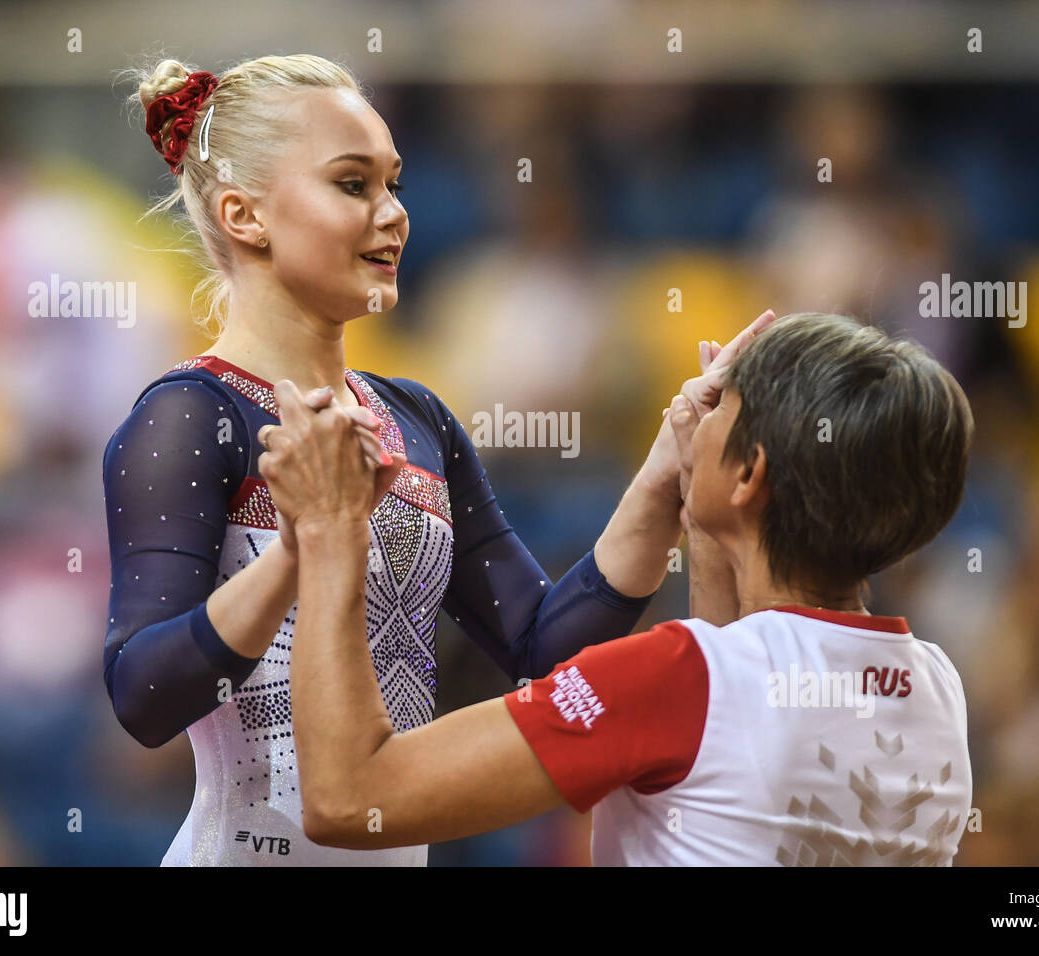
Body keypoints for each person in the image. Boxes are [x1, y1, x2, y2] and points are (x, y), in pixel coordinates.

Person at [101, 52, 766, 865]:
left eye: (395, 186)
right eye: (353, 185)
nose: (392, 215)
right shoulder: (191, 417)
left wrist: (665, 472)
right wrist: (303, 547)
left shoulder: (416, 418)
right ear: (245, 216)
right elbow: (144, 698)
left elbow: (541, 651)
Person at [262, 312, 976, 866]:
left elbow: (350, 799)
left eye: (724, 407)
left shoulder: (675, 680)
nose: (698, 414)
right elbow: (730, 742)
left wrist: (329, 529)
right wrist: (703, 496)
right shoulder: (939, 687)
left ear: (751, 475)